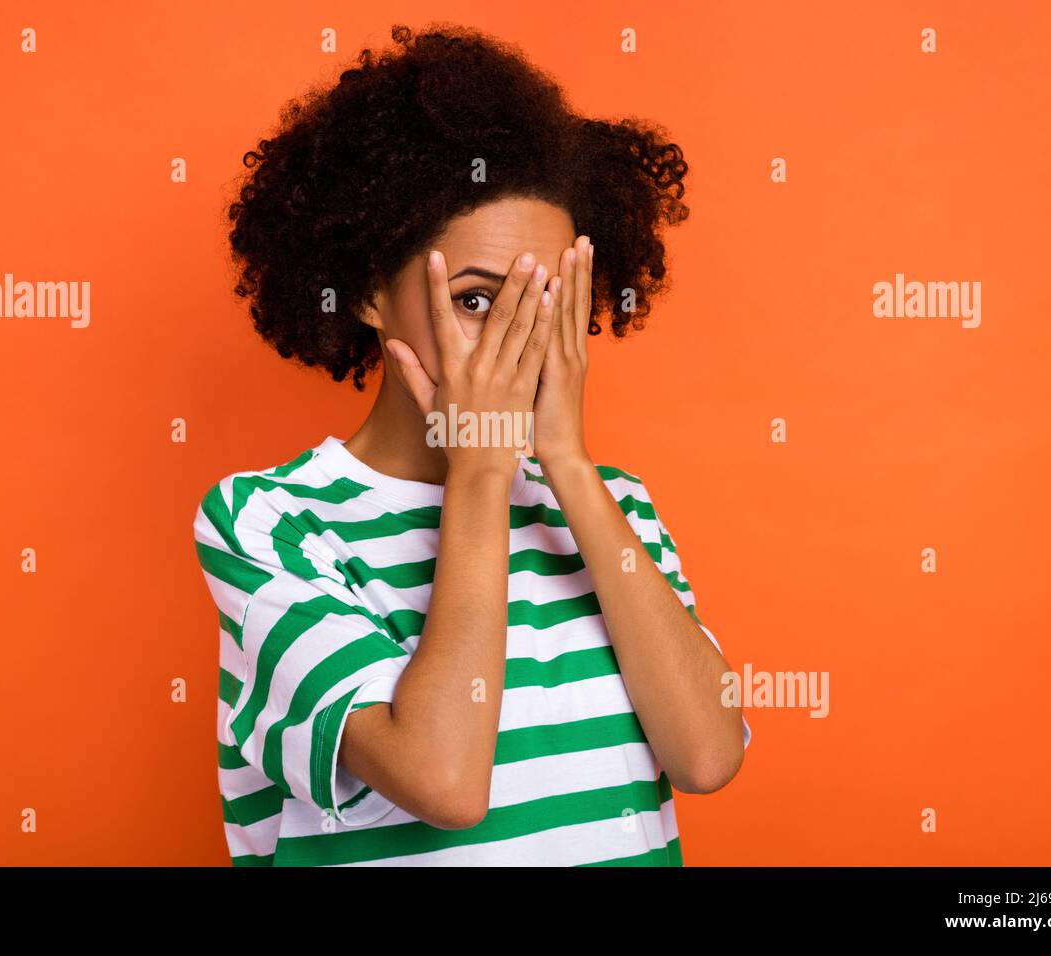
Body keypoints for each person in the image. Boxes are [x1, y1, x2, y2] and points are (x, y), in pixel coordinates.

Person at [193, 23, 750, 866]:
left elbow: (709, 757)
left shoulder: (615, 507)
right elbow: (444, 779)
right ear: (373, 292)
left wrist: (566, 466)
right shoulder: (269, 523)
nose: (518, 345)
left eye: (550, 305)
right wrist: (481, 469)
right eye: (479, 301)